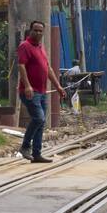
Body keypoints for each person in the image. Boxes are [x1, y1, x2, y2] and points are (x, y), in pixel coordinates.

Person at [18, 20, 62, 163]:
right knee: (39, 118)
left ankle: (37, 154)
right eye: (35, 30)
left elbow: (48, 69)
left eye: (40, 31)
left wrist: (58, 86)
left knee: (41, 123)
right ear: (30, 31)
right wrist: (27, 86)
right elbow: (22, 66)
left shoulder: (41, 47)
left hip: (42, 92)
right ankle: (25, 146)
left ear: (43, 32)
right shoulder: (25, 46)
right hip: (30, 91)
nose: (38, 33)